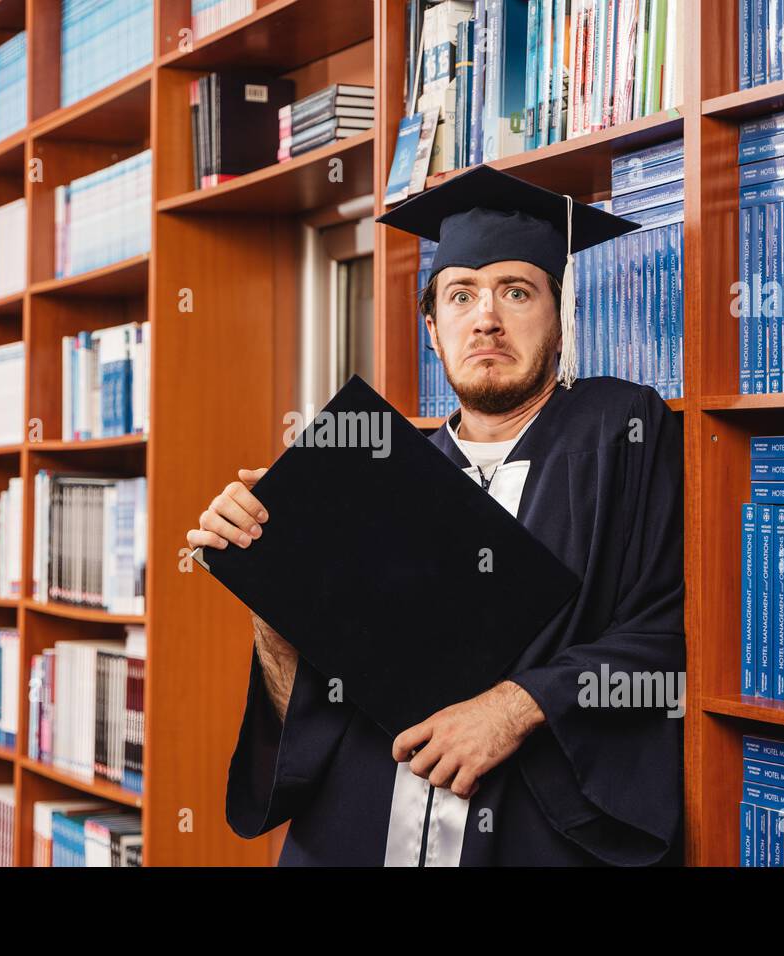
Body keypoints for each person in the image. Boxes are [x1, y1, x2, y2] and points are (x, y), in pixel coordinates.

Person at [186, 164, 686, 866]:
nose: (486, 317)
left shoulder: (619, 436)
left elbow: (667, 631)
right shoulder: (376, 477)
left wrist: (515, 707)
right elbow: (318, 712)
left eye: (517, 291)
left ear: (561, 314)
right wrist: (274, 610)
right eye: (461, 295)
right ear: (432, 326)